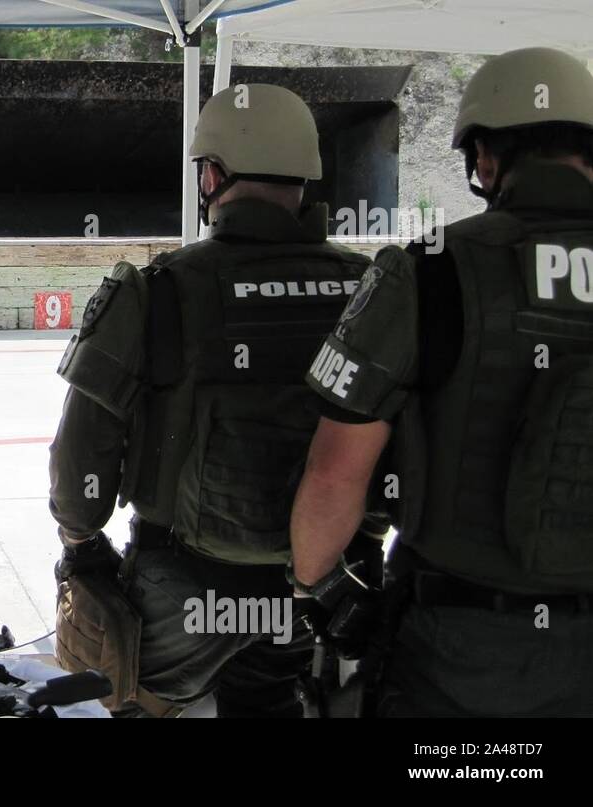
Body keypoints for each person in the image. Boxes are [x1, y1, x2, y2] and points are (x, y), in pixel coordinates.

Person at [50, 84, 374, 717]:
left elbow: (85, 444)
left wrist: (82, 547)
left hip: (184, 587)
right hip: (322, 584)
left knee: (131, 704)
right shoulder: (368, 289)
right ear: (306, 176)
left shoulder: (159, 288)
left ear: (214, 175)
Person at [290, 47, 593, 717]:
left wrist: (319, 586)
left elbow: (336, 471)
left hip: (457, 654)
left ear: (484, 158)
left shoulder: (431, 269)